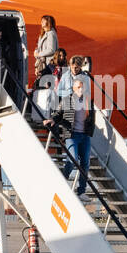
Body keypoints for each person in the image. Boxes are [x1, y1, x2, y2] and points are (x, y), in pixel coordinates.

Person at [44, 67, 93, 196]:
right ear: (73, 89)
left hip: (85, 136)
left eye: (82, 87)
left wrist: (90, 129)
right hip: (72, 135)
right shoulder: (67, 100)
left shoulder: (88, 101)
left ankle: (82, 189)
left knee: (85, 163)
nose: (81, 89)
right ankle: (62, 181)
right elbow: (58, 113)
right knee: (72, 161)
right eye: (78, 87)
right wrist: (52, 120)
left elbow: (91, 117)